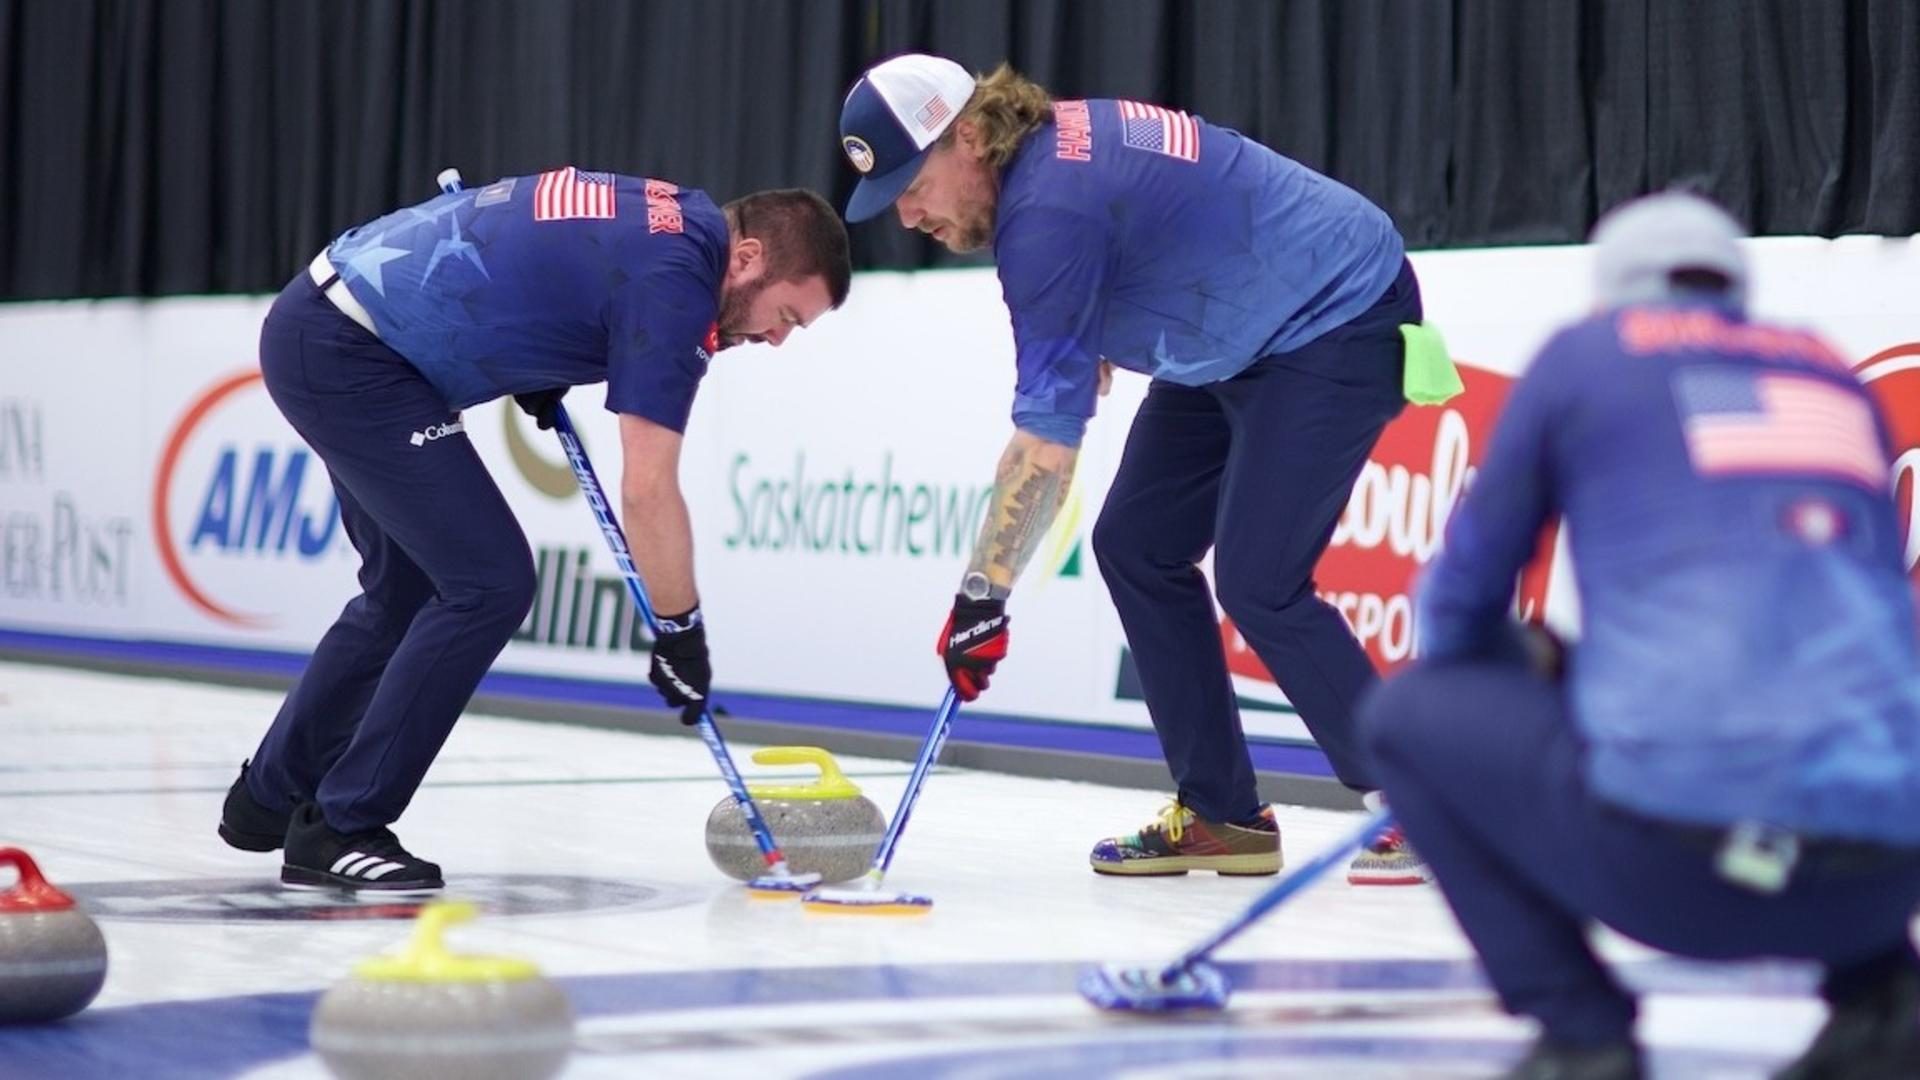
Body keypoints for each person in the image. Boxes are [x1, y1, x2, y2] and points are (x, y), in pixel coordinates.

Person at [837, 54, 1450, 882]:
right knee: (1136, 544)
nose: (908, 215)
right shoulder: (1045, 171)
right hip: (1234, 336)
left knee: (1260, 582)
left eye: (913, 185)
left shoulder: (1047, 214)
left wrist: (983, 598)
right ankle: (1222, 814)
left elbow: (1044, 450)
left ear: (971, 136)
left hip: (1335, 314)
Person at [1359, 192, 1920, 1080]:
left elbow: (1456, 612)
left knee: (1404, 715)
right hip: (1886, 879)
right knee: (1834, 732)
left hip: (1683, 875)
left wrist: (1538, 662)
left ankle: (1582, 1033)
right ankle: (1883, 1000)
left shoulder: (1588, 356)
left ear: (1610, 291)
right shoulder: (1829, 370)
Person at [216, 171, 851, 892]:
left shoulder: (679, 218)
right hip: (353, 352)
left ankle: (268, 798)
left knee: (404, 590)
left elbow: (543, 229)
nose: (775, 340)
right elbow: (647, 490)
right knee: (489, 583)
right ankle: (342, 825)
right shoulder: (678, 285)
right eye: (785, 316)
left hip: (327, 321)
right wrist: (680, 630)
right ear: (748, 259)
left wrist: (536, 340)